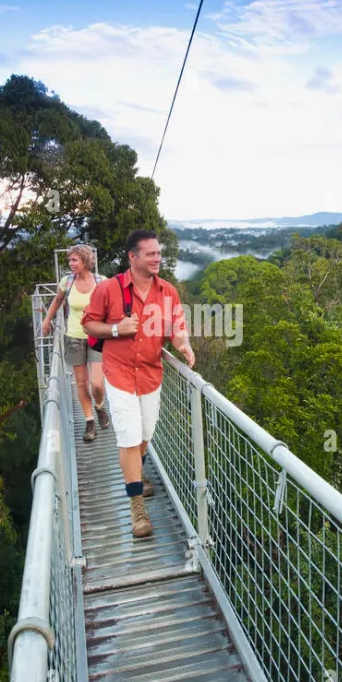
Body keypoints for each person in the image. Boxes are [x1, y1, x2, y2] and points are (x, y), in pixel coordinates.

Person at [82, 229, 196, 538]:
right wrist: (117, 329)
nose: (158, 257)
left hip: (150, 374)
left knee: (145, 436)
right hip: (118, 374)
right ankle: (137, 507)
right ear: (133, 257)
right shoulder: (108, 289)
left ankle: (137, 472)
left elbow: (177, 326)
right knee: (129, 438)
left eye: (159, 253)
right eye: (151, 253)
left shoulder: (168, 292)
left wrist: (183, 344)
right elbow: (89, 324)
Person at [41, 245, 111, 442]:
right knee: (81, 382)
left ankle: (99, 406)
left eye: (75, 260)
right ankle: (89, 421)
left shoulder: (101, 281)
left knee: (97, 383)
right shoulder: (67, 281)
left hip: (96, 336)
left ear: (86, 261)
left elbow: (112, 304)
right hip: (73, 336)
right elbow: (57, 301)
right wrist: (47, 321)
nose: (71, 264)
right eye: (69, 260)